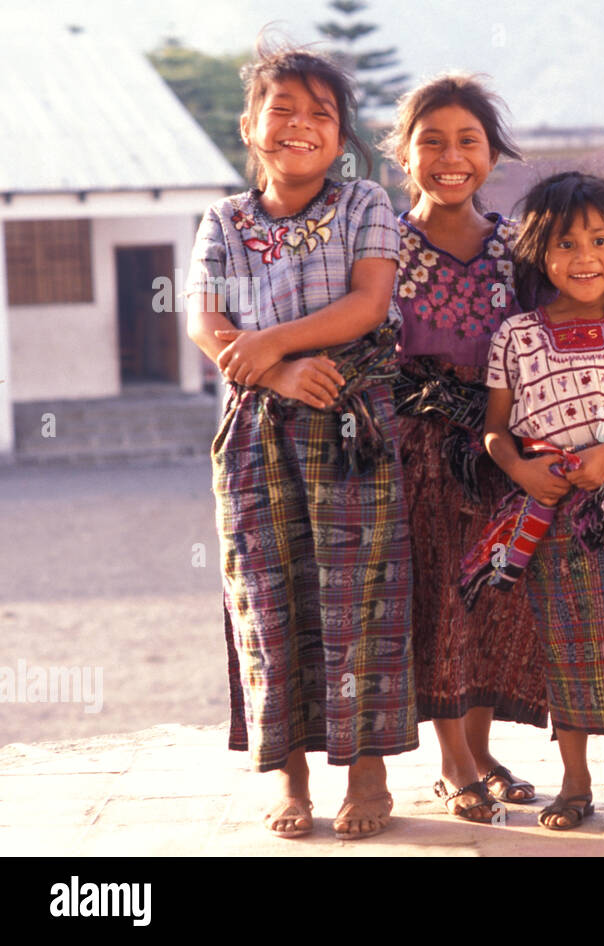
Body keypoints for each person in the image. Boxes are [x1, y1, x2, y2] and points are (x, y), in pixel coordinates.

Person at [185, 37, 416, 841]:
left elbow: (366, 303)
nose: (300, 125)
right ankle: (290, 778)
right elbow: (205, 321)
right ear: (250, 126)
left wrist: (273, 343)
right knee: (267, 598)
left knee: (361, 597)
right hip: (255, 431)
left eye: (321, 114)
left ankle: (368, 776)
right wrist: (276, 372)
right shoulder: (224, 220)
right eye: (281, 109)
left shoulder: (366, 207)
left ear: (341, 139)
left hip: (351, 421)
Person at [464, 172, 604, 835]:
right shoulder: (516, 336)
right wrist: (520, 469)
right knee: (570, 651)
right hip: (557, 517)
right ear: (539, 252)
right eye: (566, 244)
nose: (586, 257)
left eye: (600, 240)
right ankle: (575, 783)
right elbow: (494, 428)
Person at [380, 74, 548, 823]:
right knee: (438, 596)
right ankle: (451, 762)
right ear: (403, 155)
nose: (451, 157)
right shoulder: (380, 245)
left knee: (494, 598)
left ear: (492, 153)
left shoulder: (519, 247)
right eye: (432, 142)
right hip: (414, 449)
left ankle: (479, 750)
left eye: (468, 141)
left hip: (501, 447)